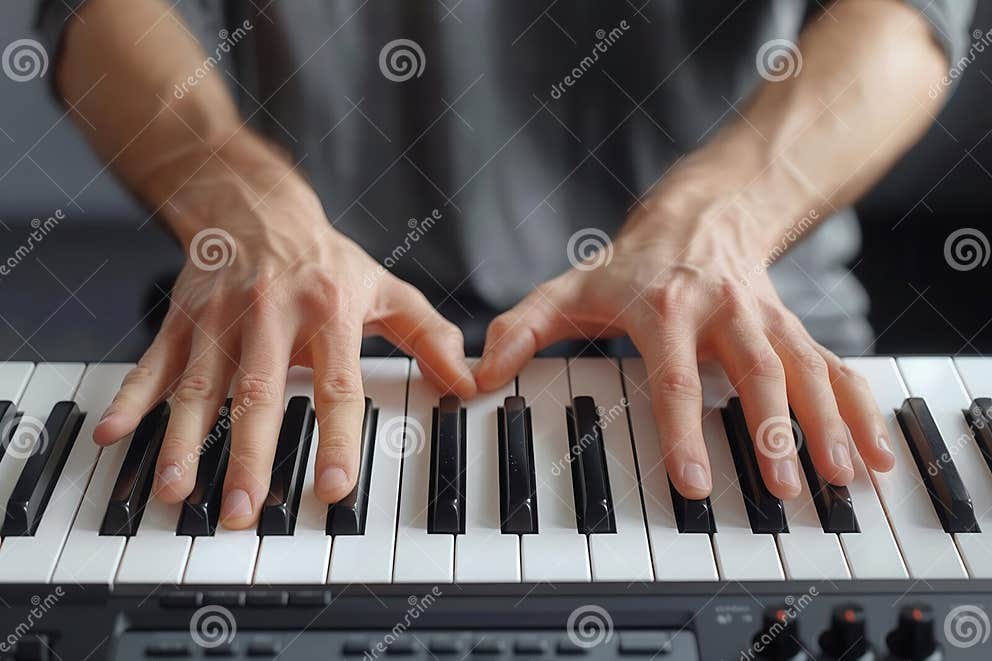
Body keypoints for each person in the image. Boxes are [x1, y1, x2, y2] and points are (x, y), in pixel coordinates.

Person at [37, 0, 974, 530]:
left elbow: (902, 20)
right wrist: (237, 204)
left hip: (735, 338)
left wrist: (722, 216)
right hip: (290, 345)